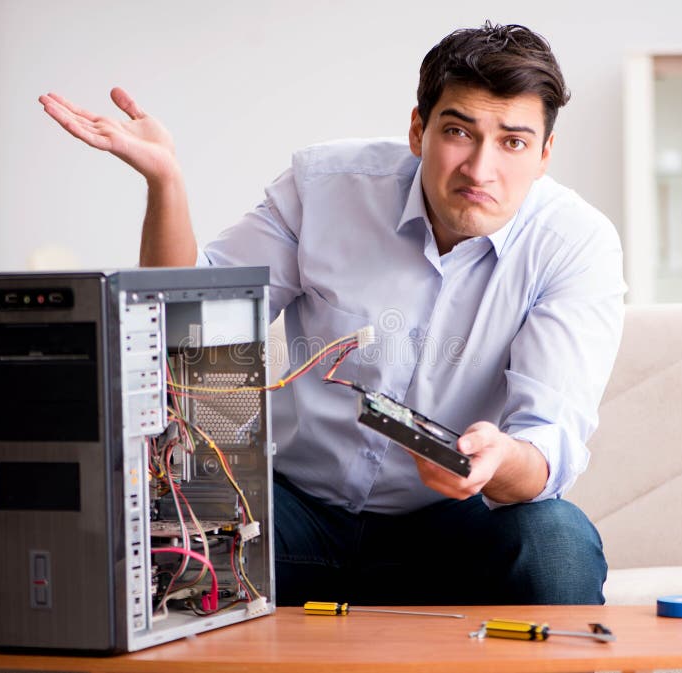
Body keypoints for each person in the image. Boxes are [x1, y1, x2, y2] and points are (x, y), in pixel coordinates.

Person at [39, 21, 626, 606]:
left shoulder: (575, 245)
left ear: (544, 154)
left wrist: (495, 463)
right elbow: (187, 324)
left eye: (513, 142)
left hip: (450, 528)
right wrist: (165, 181)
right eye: (458, 131)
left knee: (558, 542)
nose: (479, 169)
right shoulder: (325, 188)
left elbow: (548, 440)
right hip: (291, 517)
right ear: (418, 130)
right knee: (137, 522)